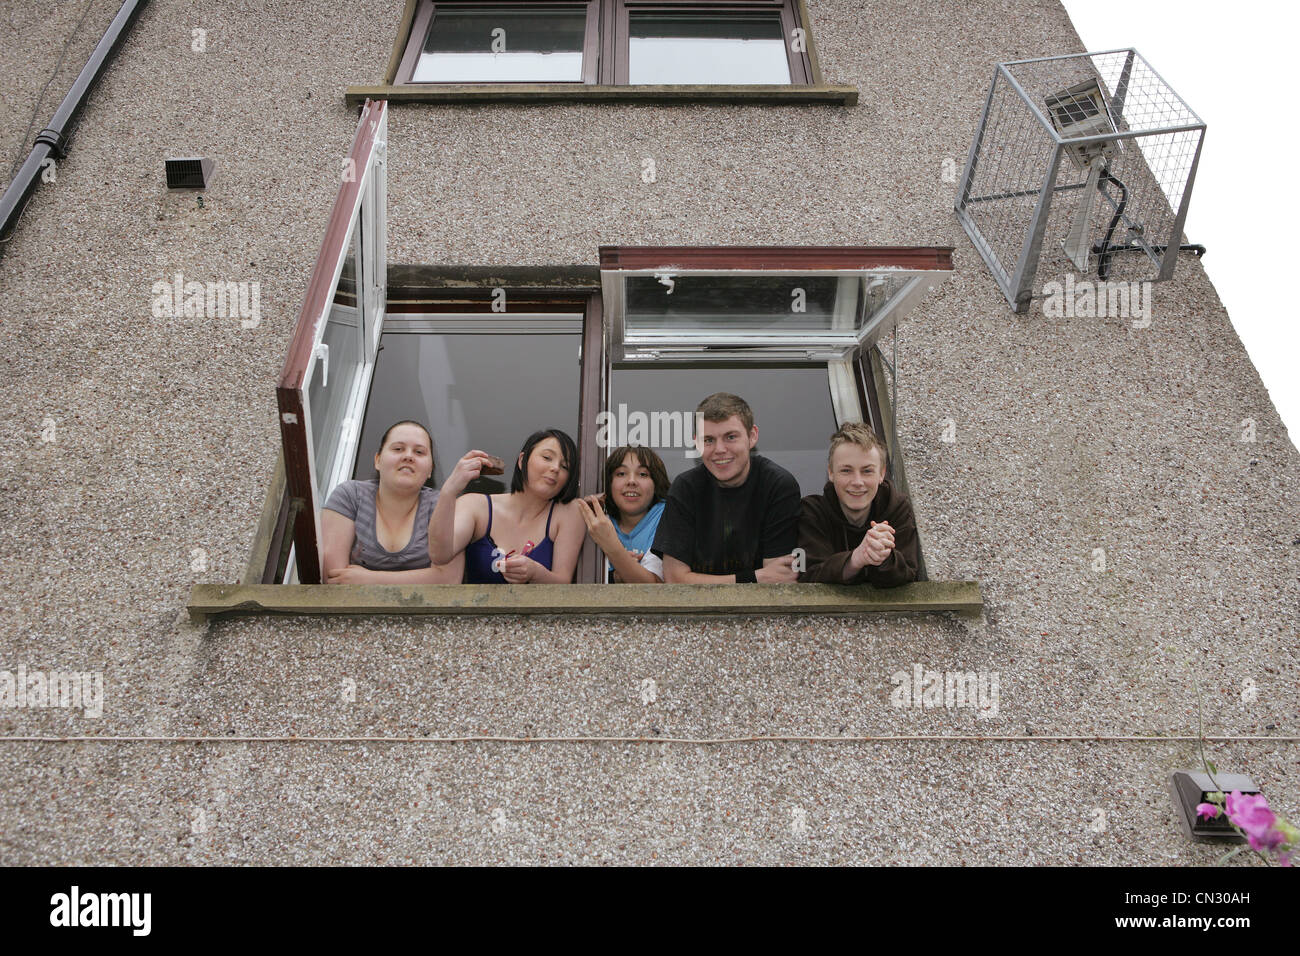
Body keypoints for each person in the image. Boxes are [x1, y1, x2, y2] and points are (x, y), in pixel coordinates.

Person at [652, 393, 802, 583]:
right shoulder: (685, 488)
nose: (720, 449)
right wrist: (754, 577)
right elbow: (674, 579)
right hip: (695, 611)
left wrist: (699, 581)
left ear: (752, 436)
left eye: (730, 437)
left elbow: (778, 579)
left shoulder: (778, 485)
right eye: (708, 440)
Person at [429, 428, 584, 584]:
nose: (555, 468)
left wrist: (535, 573)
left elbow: (563, 584)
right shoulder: (475, 506)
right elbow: (440, 555)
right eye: (547, 457)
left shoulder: (569, 512)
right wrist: (449, 491)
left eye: (565, 466)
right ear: (522, 460)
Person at [321, 420, 464, 584]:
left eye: (419, 452)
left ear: (430, 469)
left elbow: (449, 580)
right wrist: (424, 578)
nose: (408, 456)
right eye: (398, 449)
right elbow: (333, 577)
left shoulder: (443, 505)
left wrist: (368, 579)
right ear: (378, 460)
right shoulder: (350, 496)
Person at [797, 421, 919, 587]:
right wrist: (855, 559)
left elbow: (909, 576)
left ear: (881, 474)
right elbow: (805, 577)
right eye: (846, 471)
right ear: (831, 473)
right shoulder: (812, 512)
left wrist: (883, 557)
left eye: (867, 471)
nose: (857, 482)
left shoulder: (897, 508)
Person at [577, 445, 671, 583]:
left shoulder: (666, 515)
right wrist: (617, 574)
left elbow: (653, 588)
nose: (631, 481)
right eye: (621, 473)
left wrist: (612, 547)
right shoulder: (598, 518)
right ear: (609, 484)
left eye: (643, 474)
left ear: (656, 484)